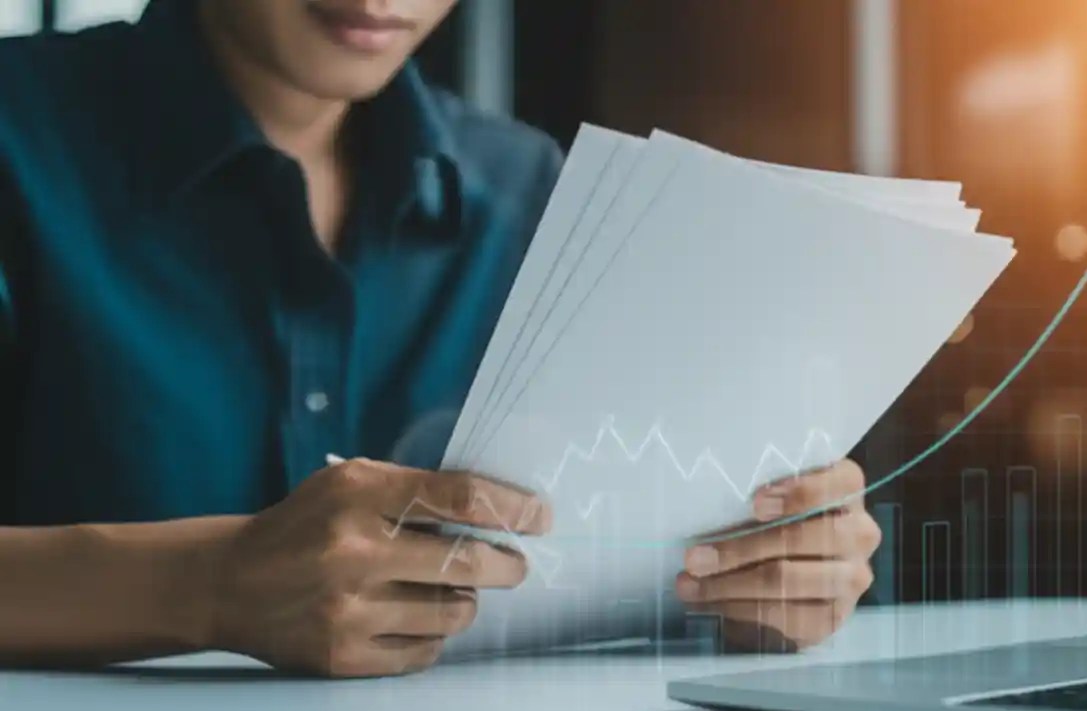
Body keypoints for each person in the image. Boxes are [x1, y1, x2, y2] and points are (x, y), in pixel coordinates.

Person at [0, 0, 881, 677]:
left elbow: (606, 541)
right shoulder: (18, 137)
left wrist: (756, 577)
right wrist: (204, 585)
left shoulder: (527, 186)